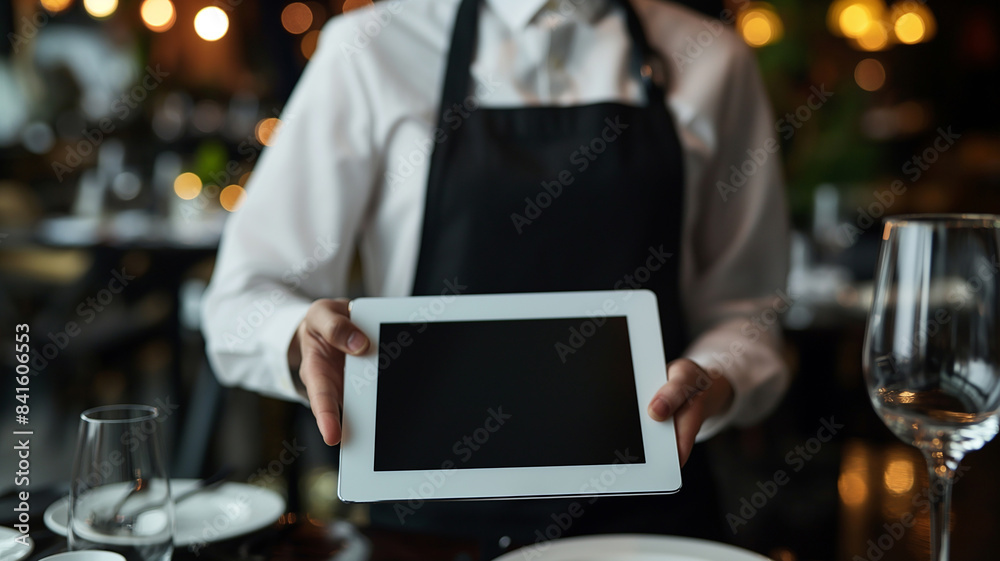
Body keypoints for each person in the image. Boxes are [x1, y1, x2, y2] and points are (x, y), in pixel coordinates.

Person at [202, 0, 790, 552]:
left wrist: (717, 375)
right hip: (426, 532)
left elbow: (749, 310)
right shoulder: (370, 49)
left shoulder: (712, 58)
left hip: (649, 524)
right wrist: (297, 336)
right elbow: (241, 298)